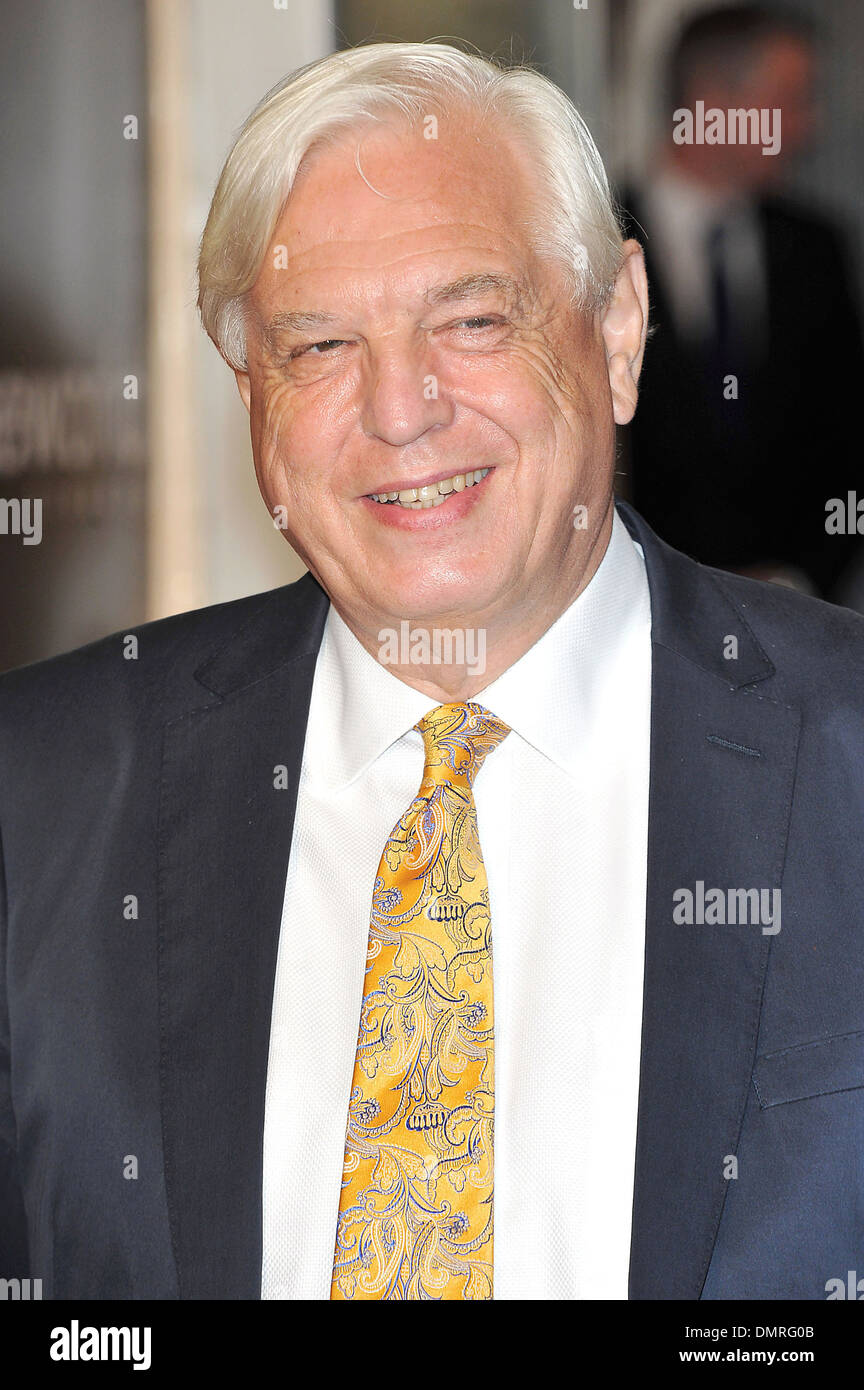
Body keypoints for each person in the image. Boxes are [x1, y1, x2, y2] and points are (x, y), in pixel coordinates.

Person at [1, 41, 863, 1302]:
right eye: (318, 347)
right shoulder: (43, 791)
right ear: (250, 394)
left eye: (472, 320)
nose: (401, 408)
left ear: (619, 330)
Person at [619, 3, 864, 599]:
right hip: (640, 612)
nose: (809, 124)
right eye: (790, 100)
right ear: (712, 103)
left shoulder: (814, 246)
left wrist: (794, 581)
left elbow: (848, 439)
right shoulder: (595, 239)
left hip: (799, 615)